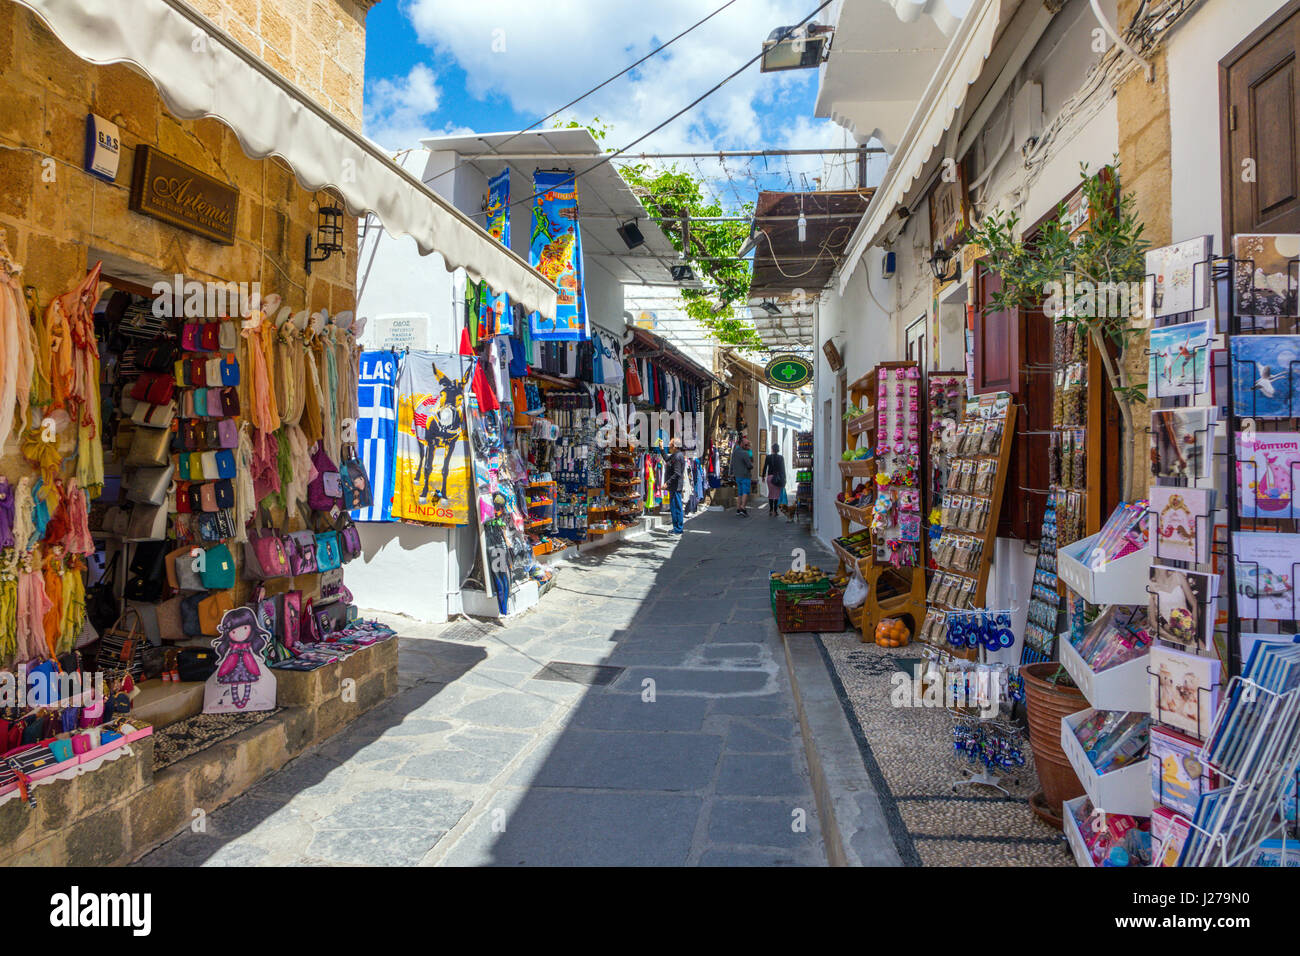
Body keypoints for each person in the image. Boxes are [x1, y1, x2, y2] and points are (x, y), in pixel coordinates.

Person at [665, 437, 686, 534]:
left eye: (670, 444)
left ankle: (678, 528)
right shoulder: (675, 455)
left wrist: (667, 483)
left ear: (675, 446)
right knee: (675, 507)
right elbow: (666, 459)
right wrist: (661, 449)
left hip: (675, 486)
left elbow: (677, 473)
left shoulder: (677, 457)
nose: (669, 446)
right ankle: (677, 528)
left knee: (676, 507)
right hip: (674, 486)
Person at [731, 436, 753, 517]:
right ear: (742, 444)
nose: (747, 445)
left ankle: (738, 509)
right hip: (745, 475)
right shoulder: (745, 453)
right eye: (746, 444)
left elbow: (732, 463)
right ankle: (743, 508)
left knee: (740, 492)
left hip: (737, 475)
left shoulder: (735, 452)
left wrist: (731, 472)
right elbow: (749, 465)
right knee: (745, 492)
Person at [762, 444, 786, 516]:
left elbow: (765, 467)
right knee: (776, 495)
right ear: (778, 449)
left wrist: (763, 476)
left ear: (772, 449)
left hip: (770, 478)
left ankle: (770, 510)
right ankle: (775, 511)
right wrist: (784, 479)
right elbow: (783, 469)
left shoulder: (768, 457)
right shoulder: (781, 458)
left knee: (771, 493)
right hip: (777, 478)